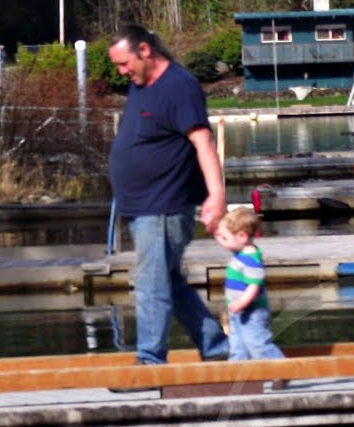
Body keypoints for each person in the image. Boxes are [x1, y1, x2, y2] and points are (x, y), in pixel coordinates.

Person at [108, 24, 231, 365]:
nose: (121, 72)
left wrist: (216, 196)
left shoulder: (179, 86)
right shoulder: (141, 85)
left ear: (145, 50)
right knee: (169, 282)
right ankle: (216, 347)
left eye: (124, 63)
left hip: (164, 205)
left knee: (151, 284)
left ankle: (150, 360)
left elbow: (203, 143)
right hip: (142, 207)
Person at [214, 205, 284, 361]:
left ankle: (280, 367)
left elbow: (253, 286)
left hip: (252, 312)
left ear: (242, 237)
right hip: (237, 311)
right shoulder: (240, 254)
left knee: (257, 344)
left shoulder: (251, 261)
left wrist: (242, 303)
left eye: (225, 238)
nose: (221, 242)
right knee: (237, 346)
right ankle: (237, 372)